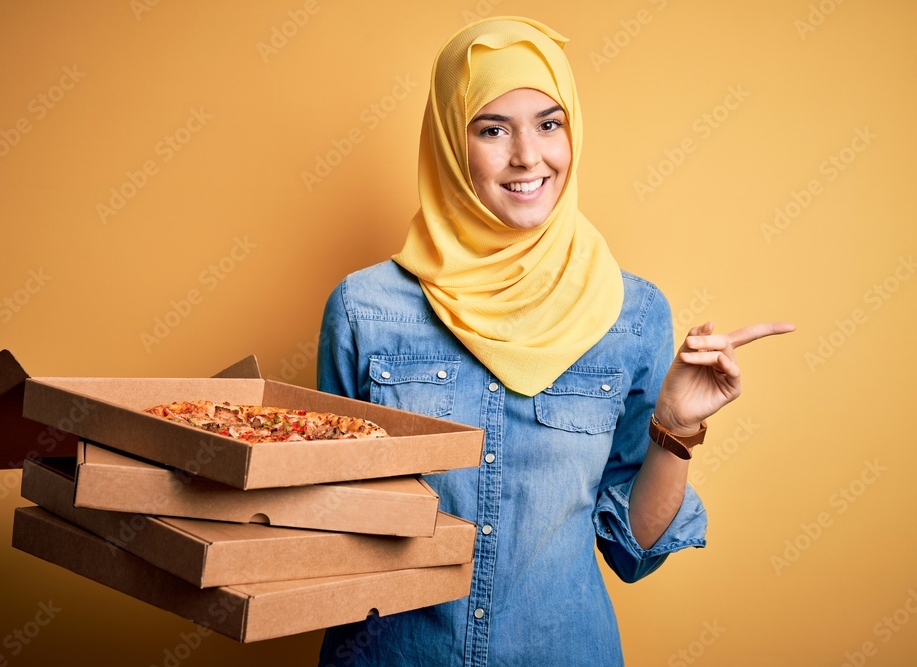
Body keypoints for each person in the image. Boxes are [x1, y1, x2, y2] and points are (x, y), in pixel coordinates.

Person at [315, 16, 793, 667]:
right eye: (491, 129)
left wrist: (675, 427)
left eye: (548, 123)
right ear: (450, 146)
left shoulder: (632, 314)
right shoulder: (365, 308)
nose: (528, 156)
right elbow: (325, 524)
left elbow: (634, 550)